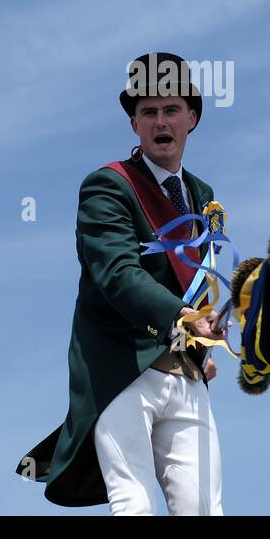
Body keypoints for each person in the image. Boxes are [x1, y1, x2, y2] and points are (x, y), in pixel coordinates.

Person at [16, 52, 226, 514]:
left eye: (170, 109)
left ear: (191, 118)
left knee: (204, 508)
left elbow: (195, 279)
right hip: (122, 368)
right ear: (134, 124)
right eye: (147, 112)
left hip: (187, 372)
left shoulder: (204, 197)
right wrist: (183, 318)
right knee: (133, 502)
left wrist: (203, 346)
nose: (160, 121)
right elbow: (116, 273)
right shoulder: (108, 185)